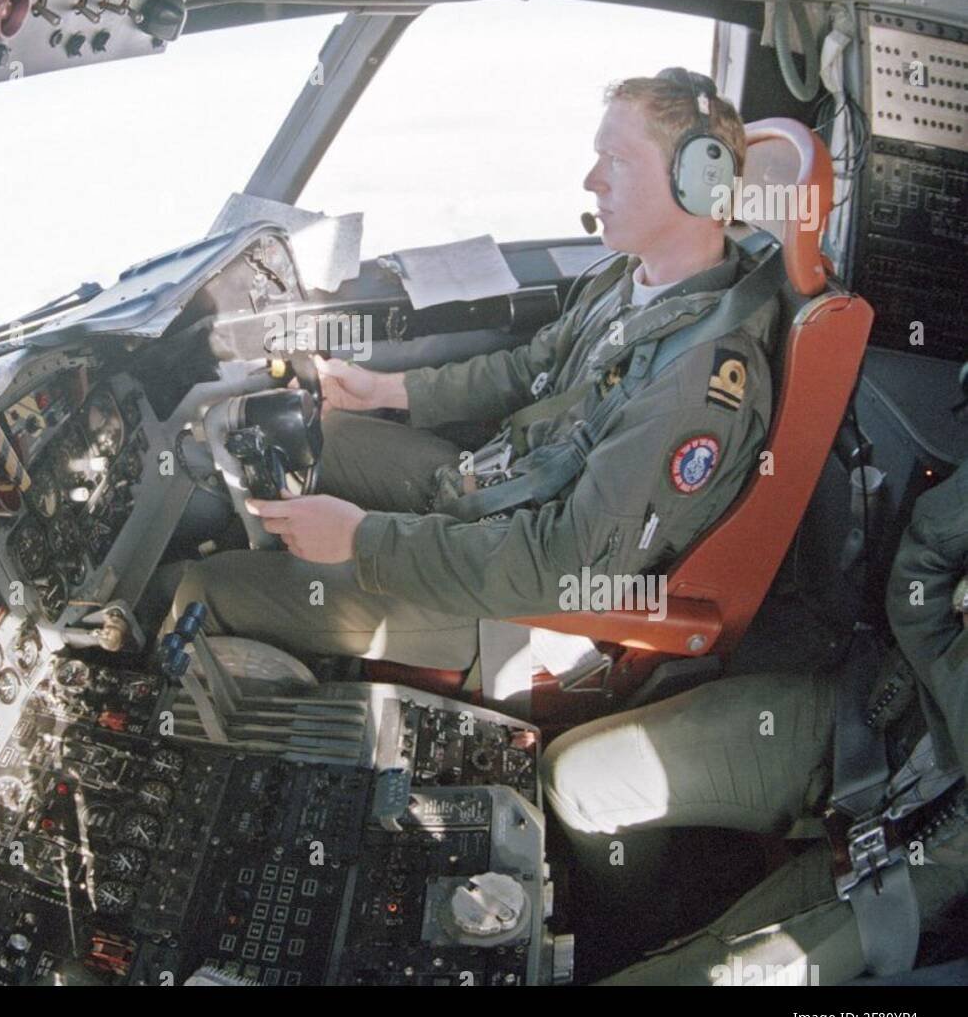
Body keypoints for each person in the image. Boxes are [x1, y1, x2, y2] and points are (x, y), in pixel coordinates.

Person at [169, 71, 778, 669]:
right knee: (302, 433)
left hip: (517, 598)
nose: (591, 180)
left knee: (204, 589)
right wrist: (387, 388)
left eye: (616, 160)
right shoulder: (627, 280)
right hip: (496, 491)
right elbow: (529, 370)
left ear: (700, 183)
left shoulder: (698, 381)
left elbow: (565, 567)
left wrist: (363, 540)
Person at [540, 459, 968, 985]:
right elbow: (927, 553)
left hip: (937, 857)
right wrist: (937, 654)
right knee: (577, 777)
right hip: (877, 717)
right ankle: (636, 930)